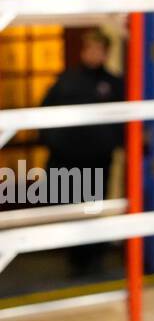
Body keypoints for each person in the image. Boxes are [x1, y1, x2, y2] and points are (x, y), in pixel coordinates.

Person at [39, 28, 124, 277]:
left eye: (99, 49)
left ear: (106, 52)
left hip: (99, 160)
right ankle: (75, 259)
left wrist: (113, 144)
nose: (93, 54)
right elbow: (45, 112)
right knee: (70, 206)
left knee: (93, 208)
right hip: (68, 159)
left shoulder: (113, 83)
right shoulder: (67, 80)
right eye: (89, 48)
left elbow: (123, 122)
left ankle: (94, 257)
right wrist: (53, 143)